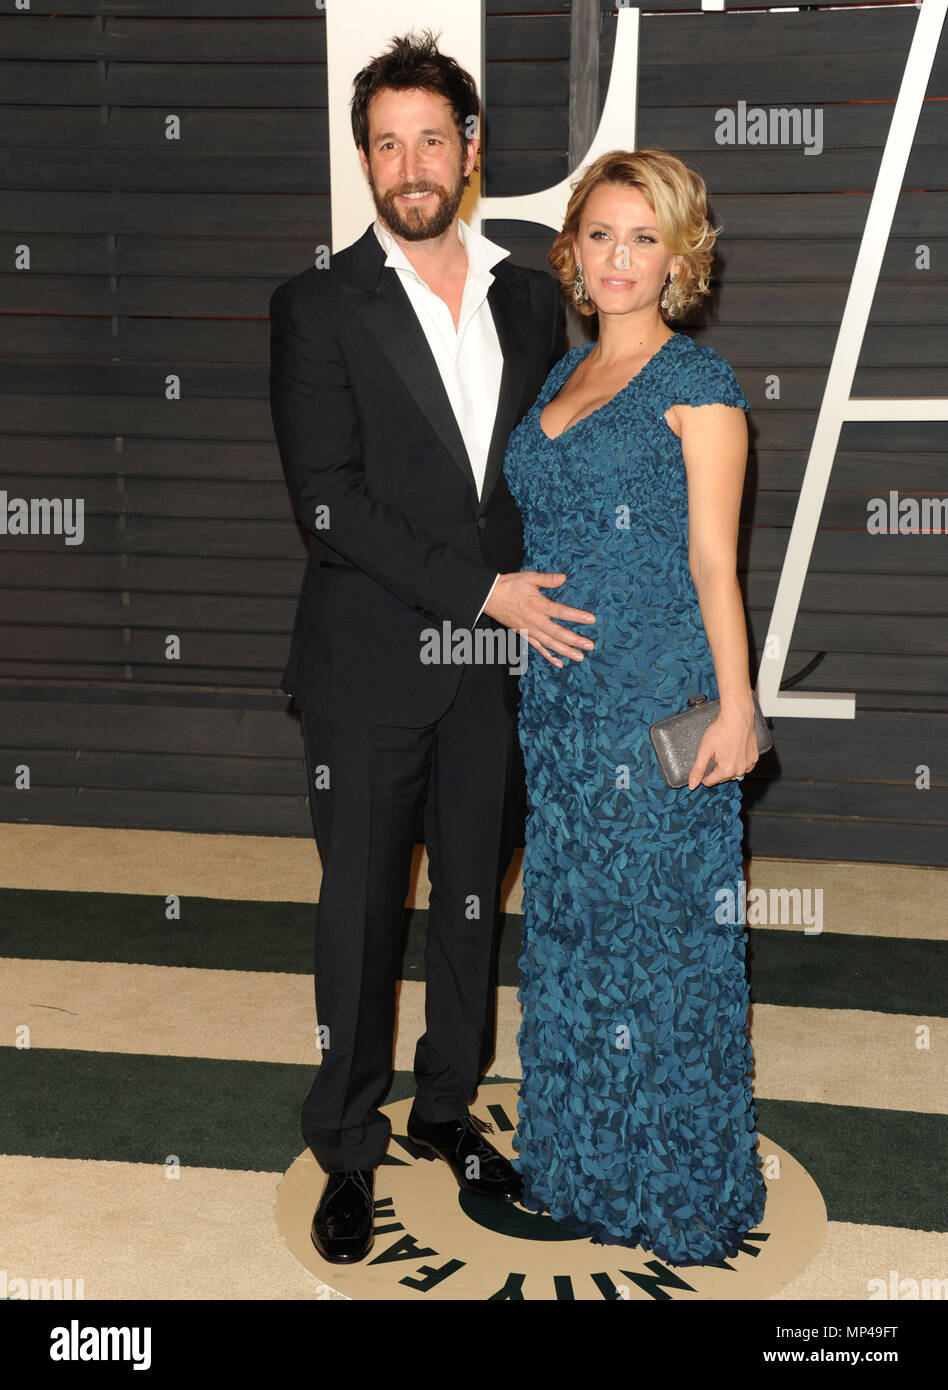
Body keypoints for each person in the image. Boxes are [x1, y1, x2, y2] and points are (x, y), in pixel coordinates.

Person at [267, 32, 593, 1265]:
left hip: (496, 675)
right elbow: (329, 505)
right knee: (360, 915)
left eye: (432, 139)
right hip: (367, 667)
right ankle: (346, 1147)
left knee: (469, 903)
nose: (411, 164)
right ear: (365, 159)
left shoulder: (526, 292)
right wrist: (487, 593)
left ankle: (449, 1106)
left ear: (472, 153)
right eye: (386, 142)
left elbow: (545, 471)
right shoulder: (316, 304)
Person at [503, 149, 768, 1266]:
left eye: (643, 237)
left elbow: (717, 564)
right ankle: (576, 1164)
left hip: (654, 699)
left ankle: (672, 1185)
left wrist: (740, 708)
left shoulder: (697, 386)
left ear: (678, 256)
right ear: (575, 249)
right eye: (602, 234)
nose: (620, 257)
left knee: (659, 944)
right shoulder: (560, 380)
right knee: (571, 932)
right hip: (559, 716)